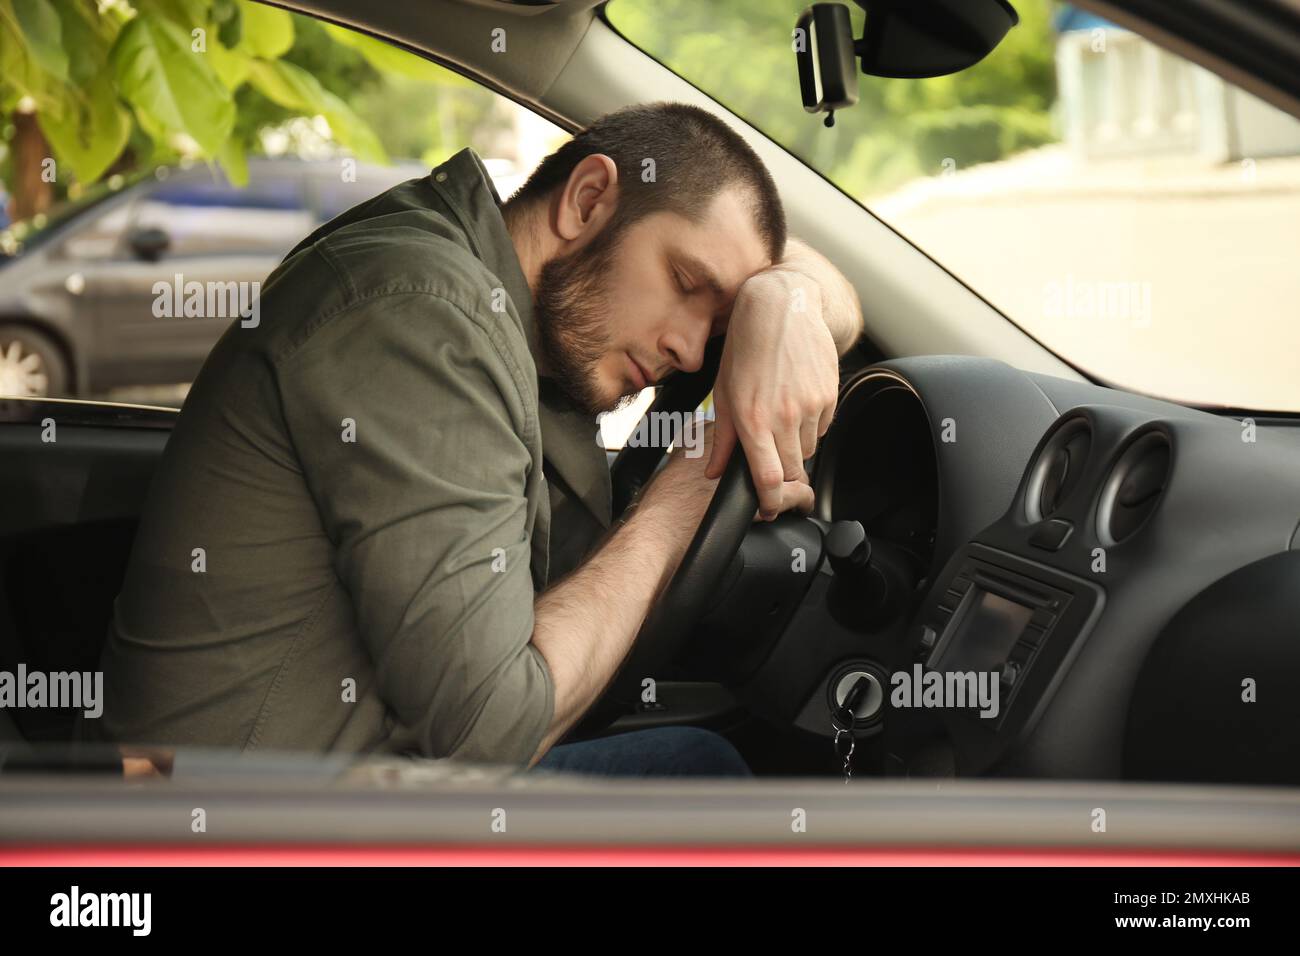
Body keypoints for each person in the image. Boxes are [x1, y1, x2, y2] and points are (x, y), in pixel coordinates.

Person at [85, 102, 862, 777]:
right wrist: (702, 473)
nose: (695, 352)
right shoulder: (423, 318)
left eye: (721, 327)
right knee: (711, 787)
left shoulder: (496, 297)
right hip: (245, 822)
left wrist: (783, 299)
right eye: (688, 285)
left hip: (313, 776)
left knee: (701, 766)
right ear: (588, 199)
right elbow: (486, 733)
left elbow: (849, 302)